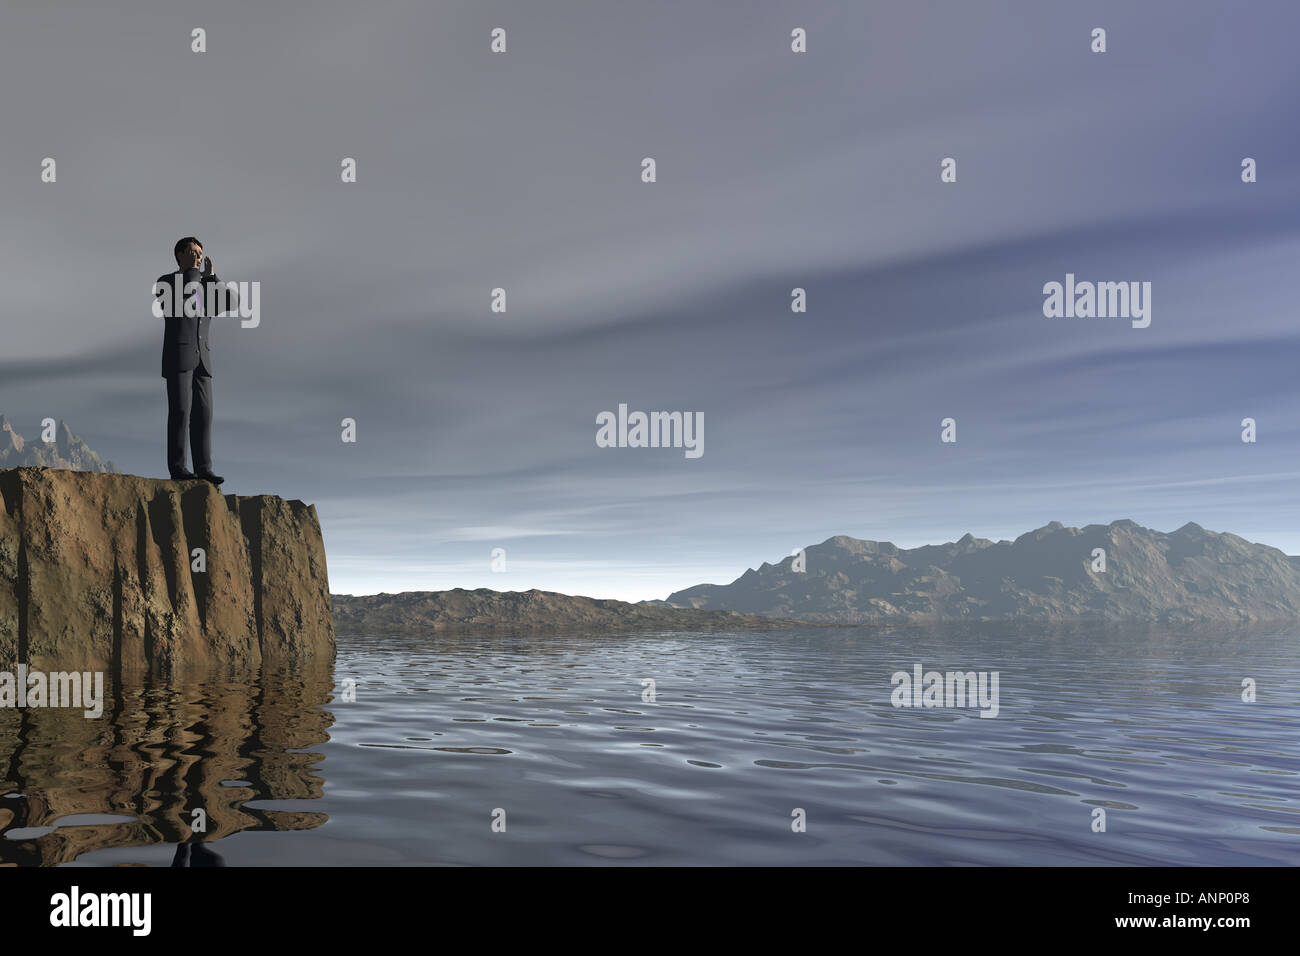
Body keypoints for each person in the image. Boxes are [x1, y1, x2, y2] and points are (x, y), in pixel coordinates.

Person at [155, 237, 238, 484]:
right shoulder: (167, 282)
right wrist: (193, 272)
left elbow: (231, 303)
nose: (198, 257)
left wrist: (212, 278)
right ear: (179, 255)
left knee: (204, 414)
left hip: (203, 358)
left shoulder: (204, 285)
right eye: (192, 252)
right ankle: (178, 468)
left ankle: (204, 468)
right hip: (178, 356)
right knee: (180, 412)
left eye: (200, 253)